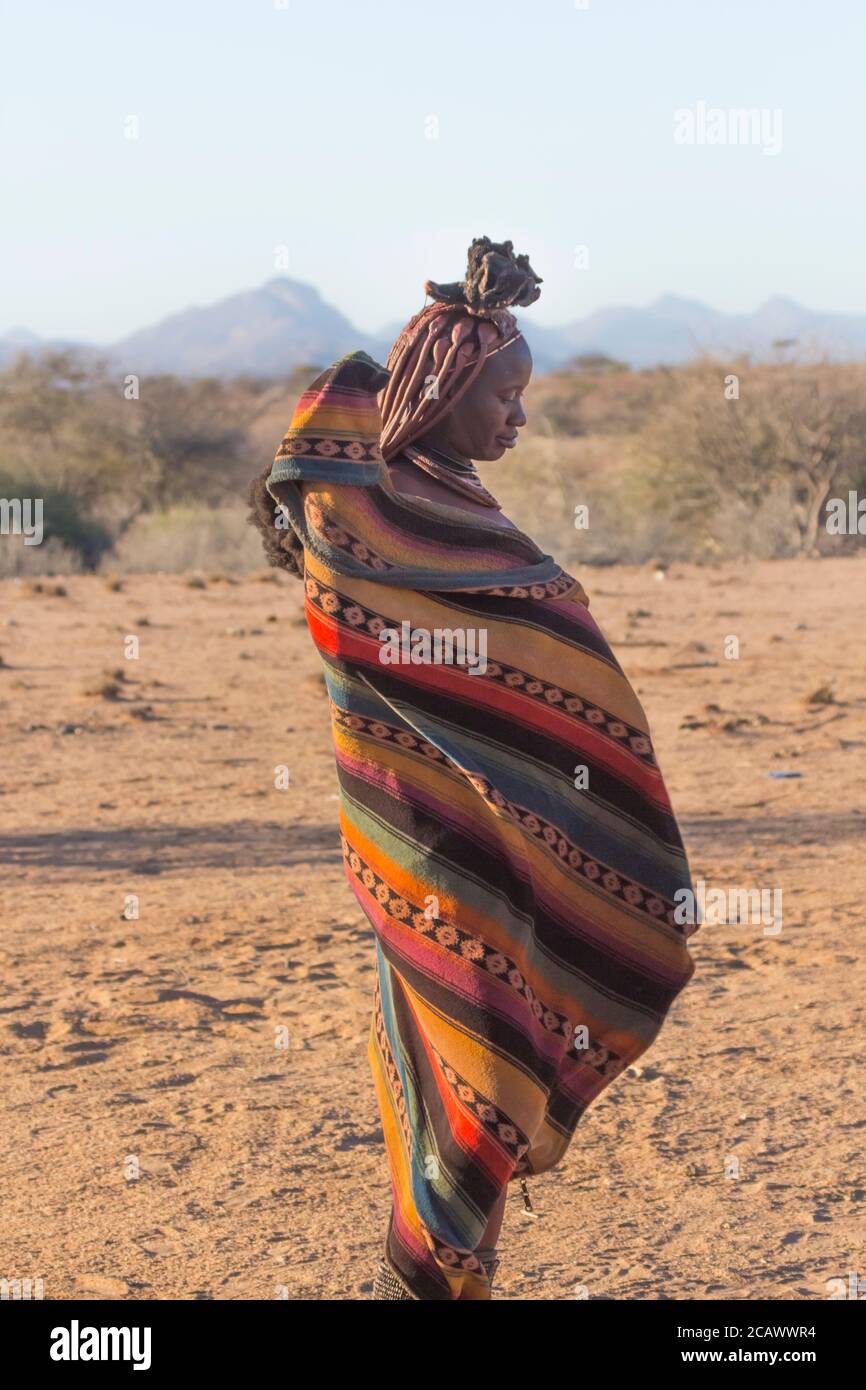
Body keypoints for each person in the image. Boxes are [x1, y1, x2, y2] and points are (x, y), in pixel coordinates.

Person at [247, 237, 699, 1300]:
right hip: (422, 835)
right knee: (469, 1058)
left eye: (525, 395)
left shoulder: (463, 510)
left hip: (511, 843)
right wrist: (371, 382)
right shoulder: (366, 520)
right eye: (504, 392)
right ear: (444, 386)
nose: (520, 418)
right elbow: (314, 466)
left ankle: (447, 1270)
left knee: (483, 1062)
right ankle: (432, 1269)